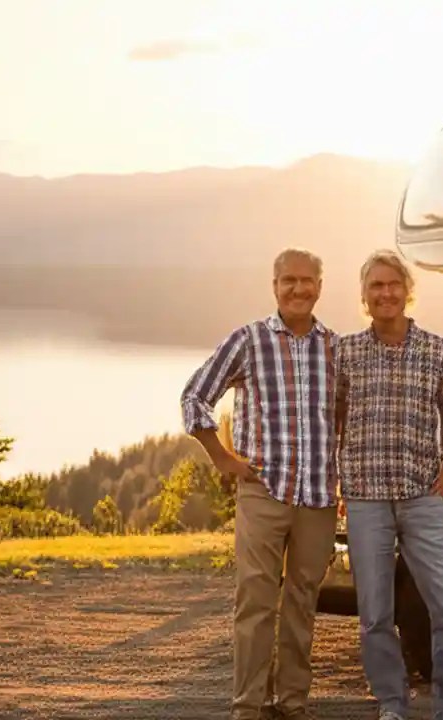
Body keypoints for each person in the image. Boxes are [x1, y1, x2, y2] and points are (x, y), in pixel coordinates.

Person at [180, 247, 339, 720]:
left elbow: (345, 418)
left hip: (317, 498)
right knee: (255, 603)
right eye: (288, 280)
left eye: (306, 280)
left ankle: (292, 703)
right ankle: (247, 707)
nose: (298, 288)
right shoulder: (248, 341)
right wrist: (222, 458)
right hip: (264, 494)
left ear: (319, 288)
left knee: (302, 602)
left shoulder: (335, 346)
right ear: (274, 287)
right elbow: (195, 396)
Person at [334, 249, 443, 720]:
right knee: (375, 615)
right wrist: (338, 478)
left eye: (393, 284)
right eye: (376, 286)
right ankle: (392, 703)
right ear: (364, 296)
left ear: (407, 290)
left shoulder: (438, 350)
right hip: (365, 499)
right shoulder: (345, 353)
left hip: (422, 498)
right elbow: (331, 419)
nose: (386, 293)